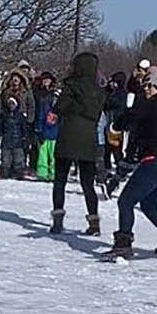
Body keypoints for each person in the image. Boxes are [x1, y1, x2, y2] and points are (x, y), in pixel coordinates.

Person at [104, 70, 157, 258]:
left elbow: (130, 116)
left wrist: (115, 126)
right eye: (145, 85)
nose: (145, 88)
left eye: (150, 85)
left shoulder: (152, 105)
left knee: (125, 201)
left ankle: (123, 244)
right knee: (149, 205)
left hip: (154, 161)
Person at [51, 52, 103, 236]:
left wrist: (59, 109)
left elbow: (60, 107)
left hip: (68, 136)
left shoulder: (71, 86)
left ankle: (58, 220)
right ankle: (94, 222)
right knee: (87, 184)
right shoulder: (99, 91)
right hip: (88, 138)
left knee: (60, 180)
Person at [31, 72, 59, 182]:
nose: (46, 81)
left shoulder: (54, 95)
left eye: (48, 79)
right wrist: (38, 128)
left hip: (54, 129)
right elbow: (39, 114)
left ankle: (53, 173)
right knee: (42, 152)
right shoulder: (39, 94)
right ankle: (42, 172)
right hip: (42, 127)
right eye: (44, 79)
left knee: (53, 153)